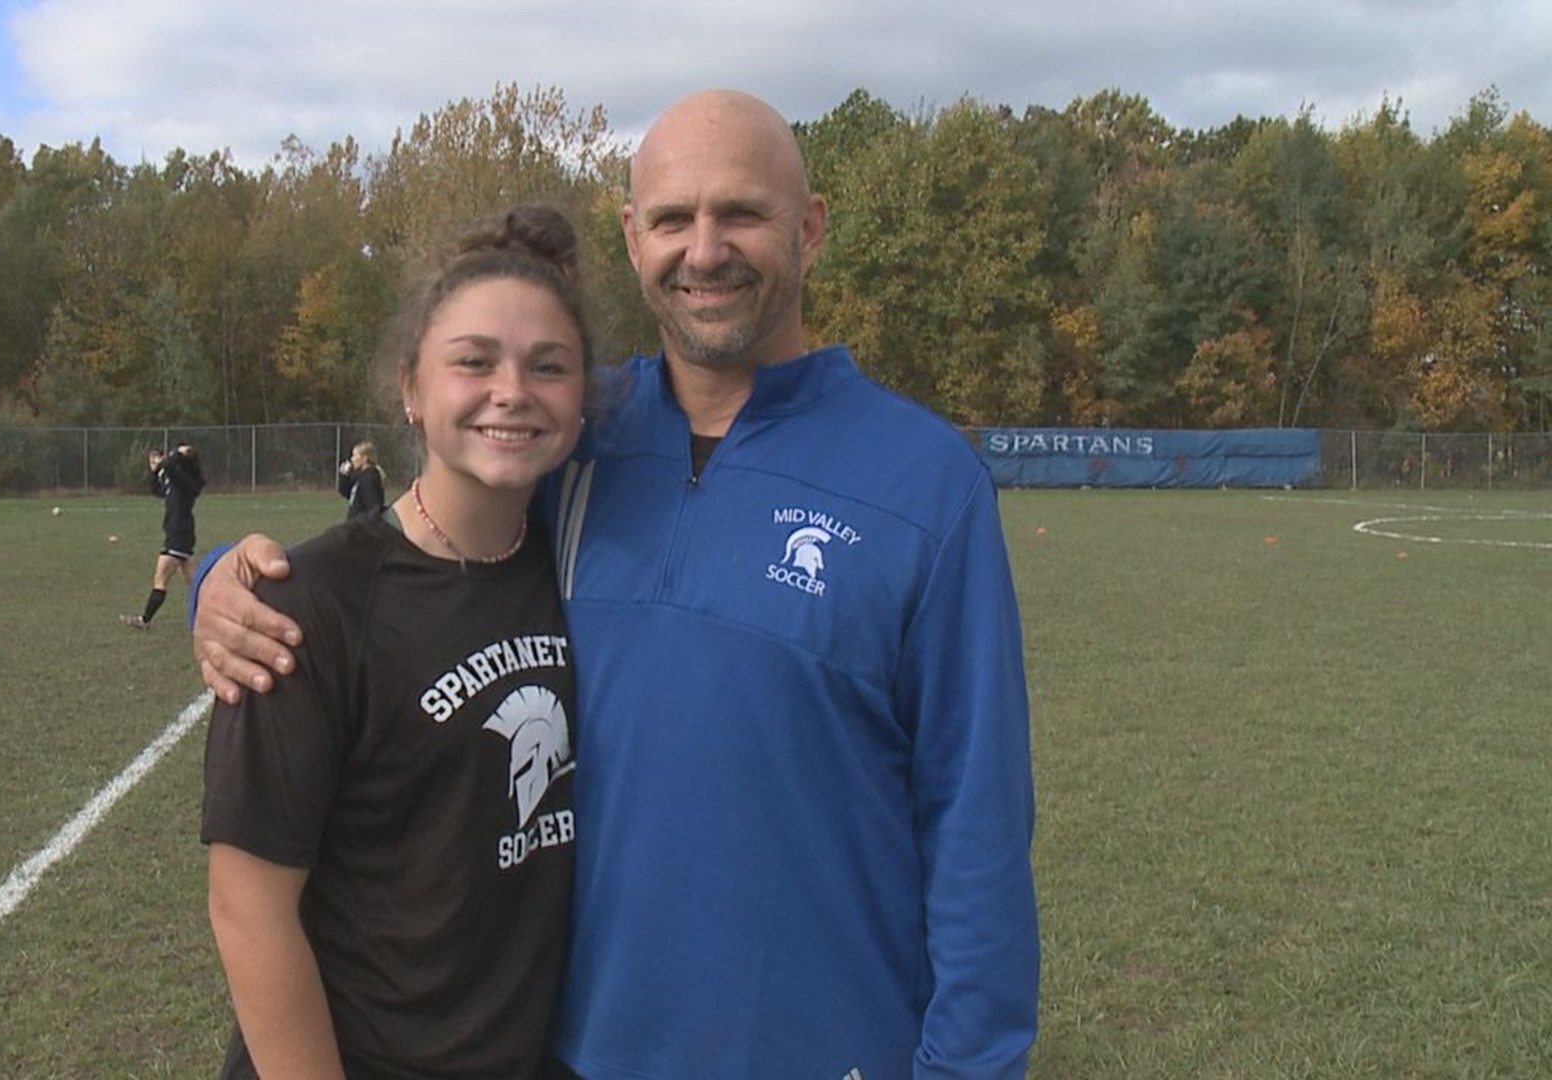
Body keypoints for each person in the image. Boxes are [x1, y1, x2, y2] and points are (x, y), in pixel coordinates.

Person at [193, 90, 1039, 1079]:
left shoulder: (926, 484)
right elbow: (427, 544)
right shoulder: (578, 439)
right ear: (634, 239)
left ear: (808, 231)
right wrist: (225, 581)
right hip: (567, 1053)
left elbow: (976, 823)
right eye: (675, 218)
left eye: (744, 214)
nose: (706, 249)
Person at [202, 204, 592, 1078]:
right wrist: (210, 581)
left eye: (549, 366)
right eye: (473, 362)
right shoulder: (310, 604)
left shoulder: (583, 567)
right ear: (411, 390)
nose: (512, 390)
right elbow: (249, 910)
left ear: (584, 396)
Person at [121, 442, 205, 629]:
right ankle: (218, 613)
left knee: (160, 579)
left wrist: (170, 457)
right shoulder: (175, 481)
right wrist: (154, 470)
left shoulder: (186, 481)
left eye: (181, 453)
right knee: (195, 583)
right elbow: (156, 490)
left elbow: (169, 466)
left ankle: (145, 620)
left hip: (179, 536)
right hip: (176, 535)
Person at [334, 441, 386, 519]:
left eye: (354, 455)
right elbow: (348, 492)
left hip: (360, 527)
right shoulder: (361, 477)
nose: (352, 459)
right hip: (355, 525)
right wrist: (344, 475)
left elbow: (373, 508)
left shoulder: (369, 479)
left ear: (364, 458)